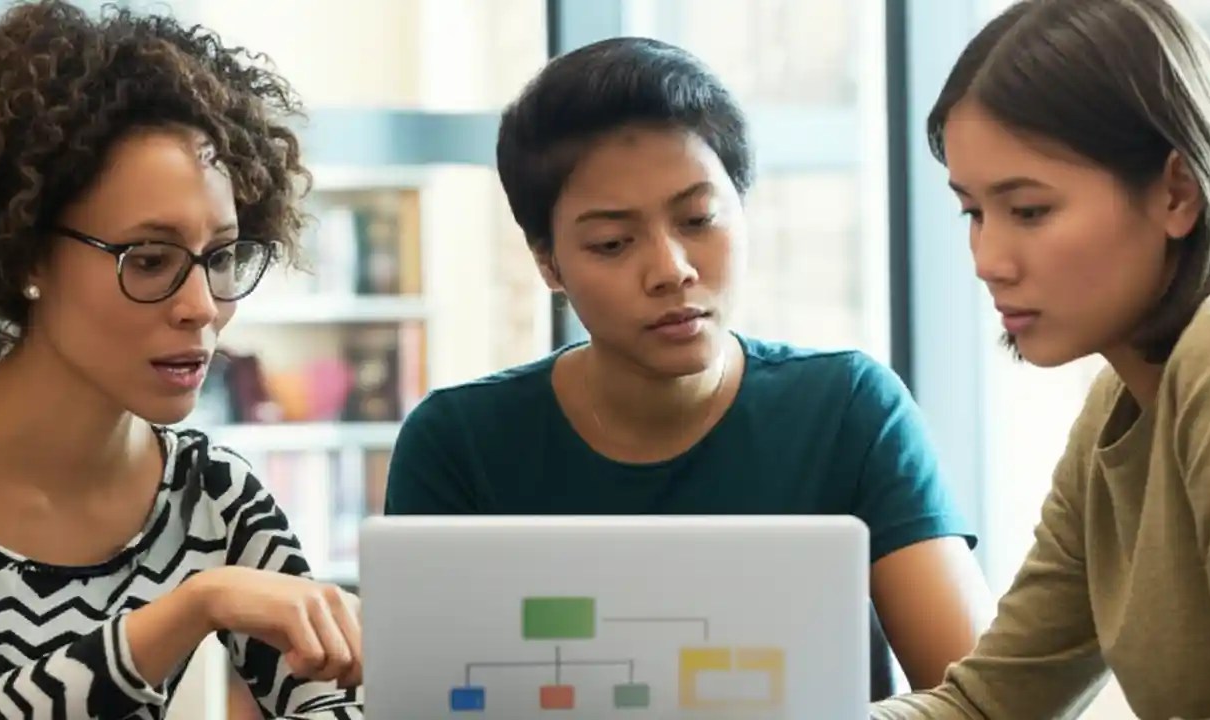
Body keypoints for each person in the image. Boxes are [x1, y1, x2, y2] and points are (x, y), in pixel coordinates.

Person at [385, 35, 994, 697]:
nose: (672, 269)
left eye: (699, 218)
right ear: (548, 263)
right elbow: (426, 698)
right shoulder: (458, 443)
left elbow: (982, 698)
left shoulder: (849, 408)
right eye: (613, 243)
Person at [0, 2, 363, 718]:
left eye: (221, 258)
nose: (201, 306)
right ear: (27, 252)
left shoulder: (211, 496)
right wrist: (190, 610)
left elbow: (332, 703)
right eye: (149, 260)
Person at [870, 0, 1210, 718]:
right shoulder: (1120, 403)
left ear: (1178, 192)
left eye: (1030, 211)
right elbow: (989, 706)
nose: (987, 261)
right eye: (973, 213)